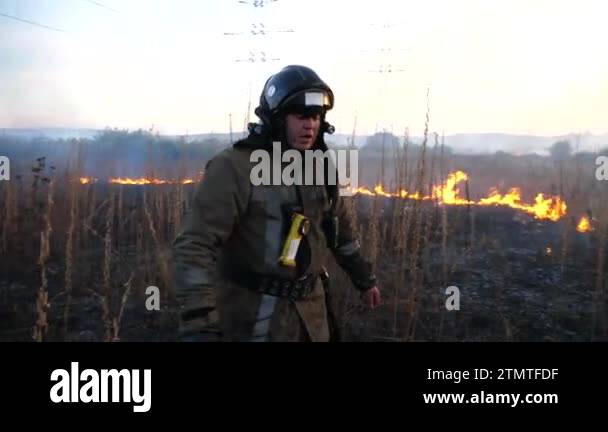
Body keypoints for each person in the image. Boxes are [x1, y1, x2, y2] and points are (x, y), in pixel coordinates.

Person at [172, 65, 381, 342]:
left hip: (313, 321)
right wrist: (200, 324)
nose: (311, 124)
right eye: (301, 115)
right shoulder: (234, 167)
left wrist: (364, 280)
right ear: (277, 118)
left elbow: (340, 233)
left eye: (317, 116)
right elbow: (195, 247)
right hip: (252, 321)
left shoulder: (321, 167)